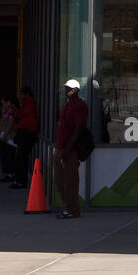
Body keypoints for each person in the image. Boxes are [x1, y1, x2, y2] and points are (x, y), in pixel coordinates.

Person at [52, 79, 89, 219]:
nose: (67, 90)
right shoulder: (67, 105)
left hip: (69, 148)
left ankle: (72, 210)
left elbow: (78, 129)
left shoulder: (80, 106)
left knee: (71, 180)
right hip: (60, 146)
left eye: (70, 88)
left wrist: (68, 149)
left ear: (76, 90)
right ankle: (68, 206)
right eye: (67, 88)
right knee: (60, 179)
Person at [10, 86, 38, 190]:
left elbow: (23, 118)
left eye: (21, 94)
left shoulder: (28, 104)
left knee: (21, 158)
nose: (19, 96)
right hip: (25, 133)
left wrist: (18, 123)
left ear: (25, 94)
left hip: (26, 133)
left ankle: (21, 181)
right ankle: (20, 180)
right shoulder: (26, 104)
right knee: (20, 158)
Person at [0, 94, 18, 182]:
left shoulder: (12, 112)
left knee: (9, 156)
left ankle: (11, 174)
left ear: (9, 102)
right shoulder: (7, 111)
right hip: (8, 137)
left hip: (10, 138)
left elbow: (10, 124)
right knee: (7, 156)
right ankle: (9, 173)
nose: (3, 105)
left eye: (4, 103)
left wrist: (4, 135)